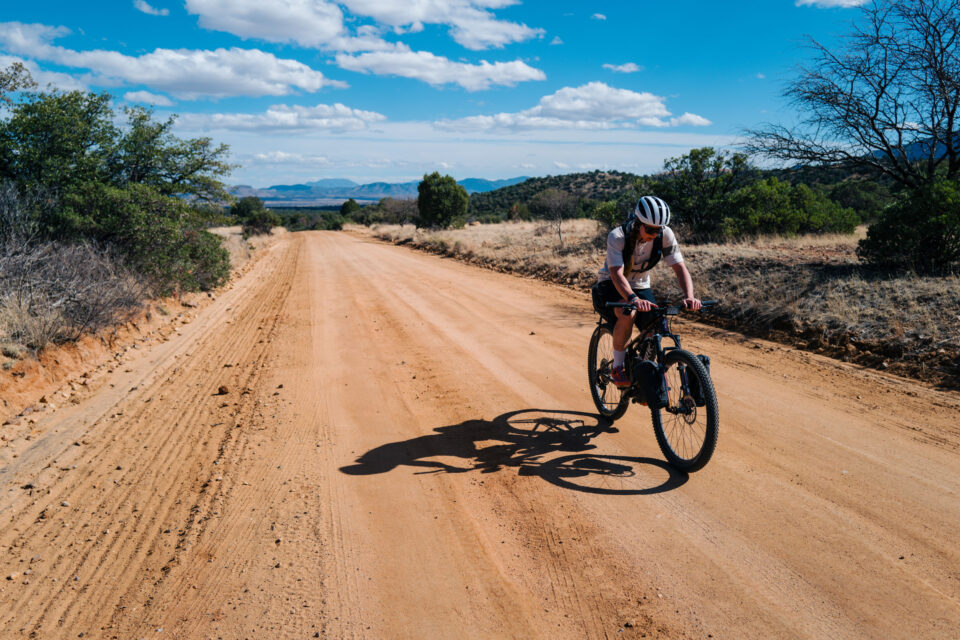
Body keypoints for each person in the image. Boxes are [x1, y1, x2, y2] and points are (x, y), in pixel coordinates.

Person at [594, 195, 701, 387]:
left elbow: (680, 268)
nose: (655, 233)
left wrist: (690, 297)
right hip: (610, 285)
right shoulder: (617, 236)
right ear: (638, 223)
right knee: (629, 312)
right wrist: (632, 298)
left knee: (656, 326)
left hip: (640, 286)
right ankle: (618, 366)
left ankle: (644, 374)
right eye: (650, 229)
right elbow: (617, 274)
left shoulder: (665, 235)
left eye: (658, 229)